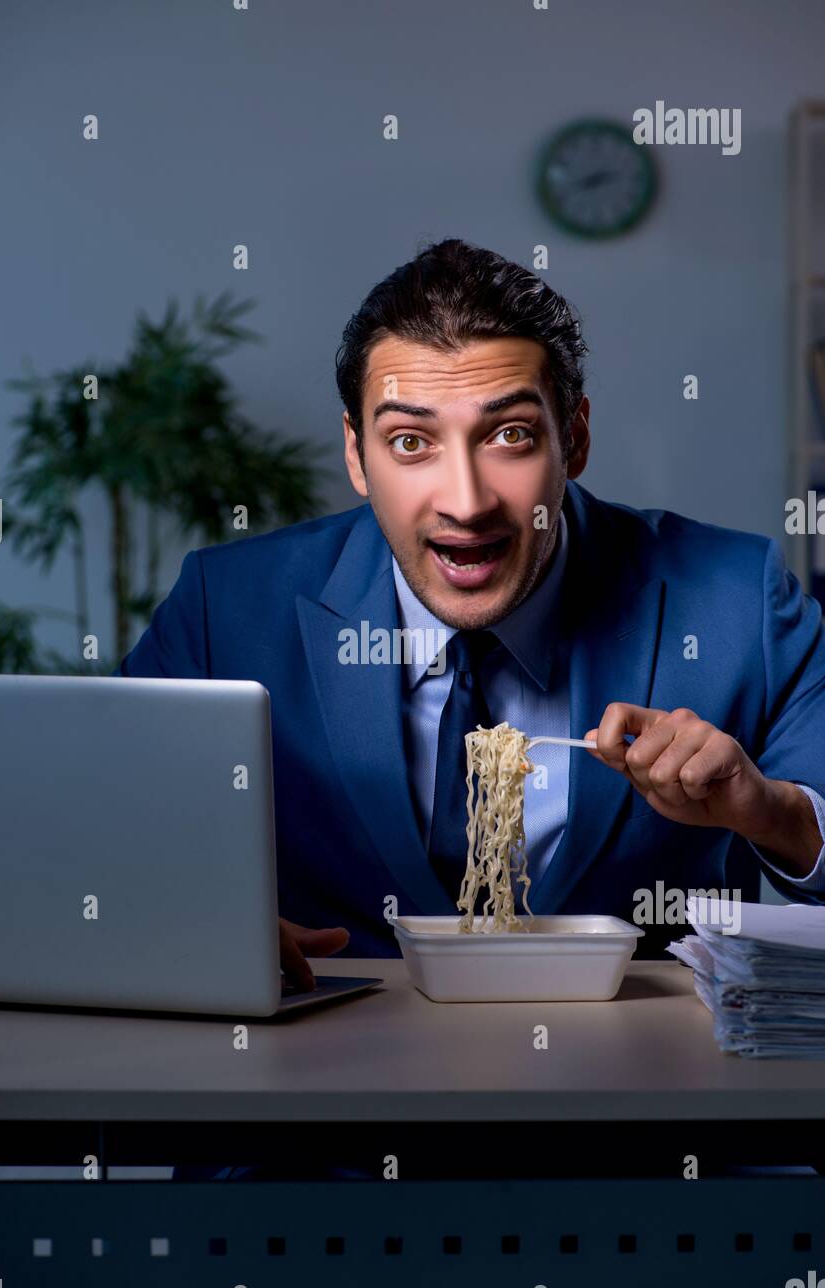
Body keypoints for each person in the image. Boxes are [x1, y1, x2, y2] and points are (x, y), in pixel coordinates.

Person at [118, 238, 825, 986]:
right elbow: (97, 833)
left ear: (573, 439)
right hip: (321, 1080)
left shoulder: (735, 598)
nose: (465, 500)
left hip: (634, 1084)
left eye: (509, 436)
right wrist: (194, 919)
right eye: (410, 441)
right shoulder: (223, 609)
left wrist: (770, 813)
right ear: (357, 457)